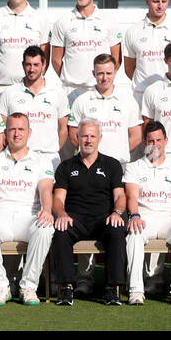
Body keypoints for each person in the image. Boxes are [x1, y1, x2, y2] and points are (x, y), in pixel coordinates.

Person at [0, 112, 56, 306]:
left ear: (29, 132)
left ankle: (29, 286)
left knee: (45, 227)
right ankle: (0, 286)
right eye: (12, 129)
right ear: (5, 133)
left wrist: (47, 210)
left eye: (21, 129)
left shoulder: (41, 160)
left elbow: (45, 189)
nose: (17, 134)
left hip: (28, 215)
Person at [52, 119, 128, 306]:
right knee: (61, 231)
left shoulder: (112, 165)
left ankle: (112, 289)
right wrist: (62, 214)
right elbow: (58, 199)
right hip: (75, 219)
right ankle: (67, 288)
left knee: (117, 230)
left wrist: (117, 212)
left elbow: (120, 196)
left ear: (99, 138)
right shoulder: (66, 166)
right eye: (84, 135)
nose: (88, 140)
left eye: (92, 136)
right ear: (77, 138)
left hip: (103, 219)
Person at [123, 122, 171, 305]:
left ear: (166, 141)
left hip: (169, 218)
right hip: (145, 218)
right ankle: (136, 291)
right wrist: (134, 215)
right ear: (145, 142)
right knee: (134, 234)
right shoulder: (134, 167)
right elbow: (131, 195)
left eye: (159, 140)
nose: (155, 144)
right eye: (151, 140)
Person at [50, 0, 121, 94]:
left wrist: (104, 81)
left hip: (99, 89)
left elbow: (117, 59)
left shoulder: (109, 21)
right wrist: (71, 80)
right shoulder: (62, 22)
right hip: (70, 90)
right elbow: (56, 59)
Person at [0, 45, 69, 161]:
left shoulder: (58, 92)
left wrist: (54, 150)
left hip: (48, 157)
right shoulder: (10, 92)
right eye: (28, 64)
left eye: (36, 65)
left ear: (44, 65)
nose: (32, 69)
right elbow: (0, 128)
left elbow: (63, 129)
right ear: (23, 65)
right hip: (19, 157)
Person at [68, 54, 141, 164]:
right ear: (94, 74)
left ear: (115, 72)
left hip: (119, 164)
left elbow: (136, 136)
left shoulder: (128, 101)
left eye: (109, 73)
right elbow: (73, 135)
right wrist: (90, 154)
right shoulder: (81, 101)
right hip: (90, 165)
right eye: (100, 73)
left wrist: (119, 153)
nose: (105, 78)